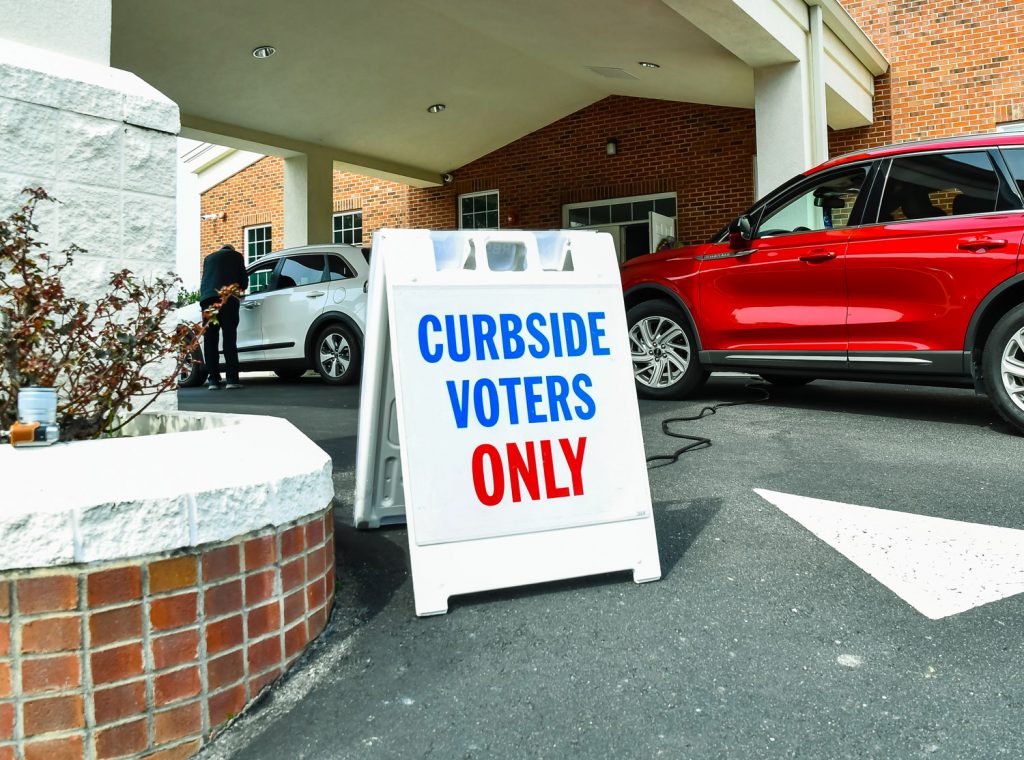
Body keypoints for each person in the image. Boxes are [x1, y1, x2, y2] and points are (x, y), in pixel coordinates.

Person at [199, 243, 248, 389]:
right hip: (227, 300)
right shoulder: (237, 256)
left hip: (208, 300)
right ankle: (232, 380)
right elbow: (244, 283)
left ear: (220, 249)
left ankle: (213, 380)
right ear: (232, 250)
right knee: (229, 337)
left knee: (210, 339)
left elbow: (205, 282)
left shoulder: (208, 258)